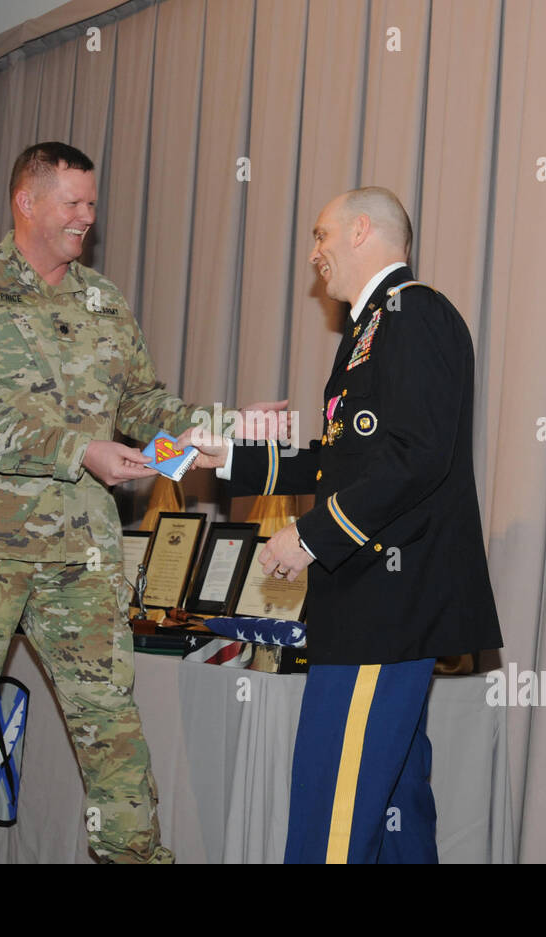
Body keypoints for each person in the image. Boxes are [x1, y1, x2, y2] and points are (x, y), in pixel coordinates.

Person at [0, 141, 281, 864]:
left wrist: (220, 426)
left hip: (78, 557)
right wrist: (75, 450)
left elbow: (142, 403)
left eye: (93, 204)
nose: (87, 217)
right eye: (73, 203)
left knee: (112, 732)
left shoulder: (103, 301)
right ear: (27, 201)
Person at [182, 187, 503, 863]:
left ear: (363, 231)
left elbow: (419, 456)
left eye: (322, 236)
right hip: (377, 612)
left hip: (381, 613)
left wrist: (308, 537)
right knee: (395, 814)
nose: (314, 254)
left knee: (331, 822)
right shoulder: (372, 329)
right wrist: (234, 457)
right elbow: (340, 461)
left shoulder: (414, 314)